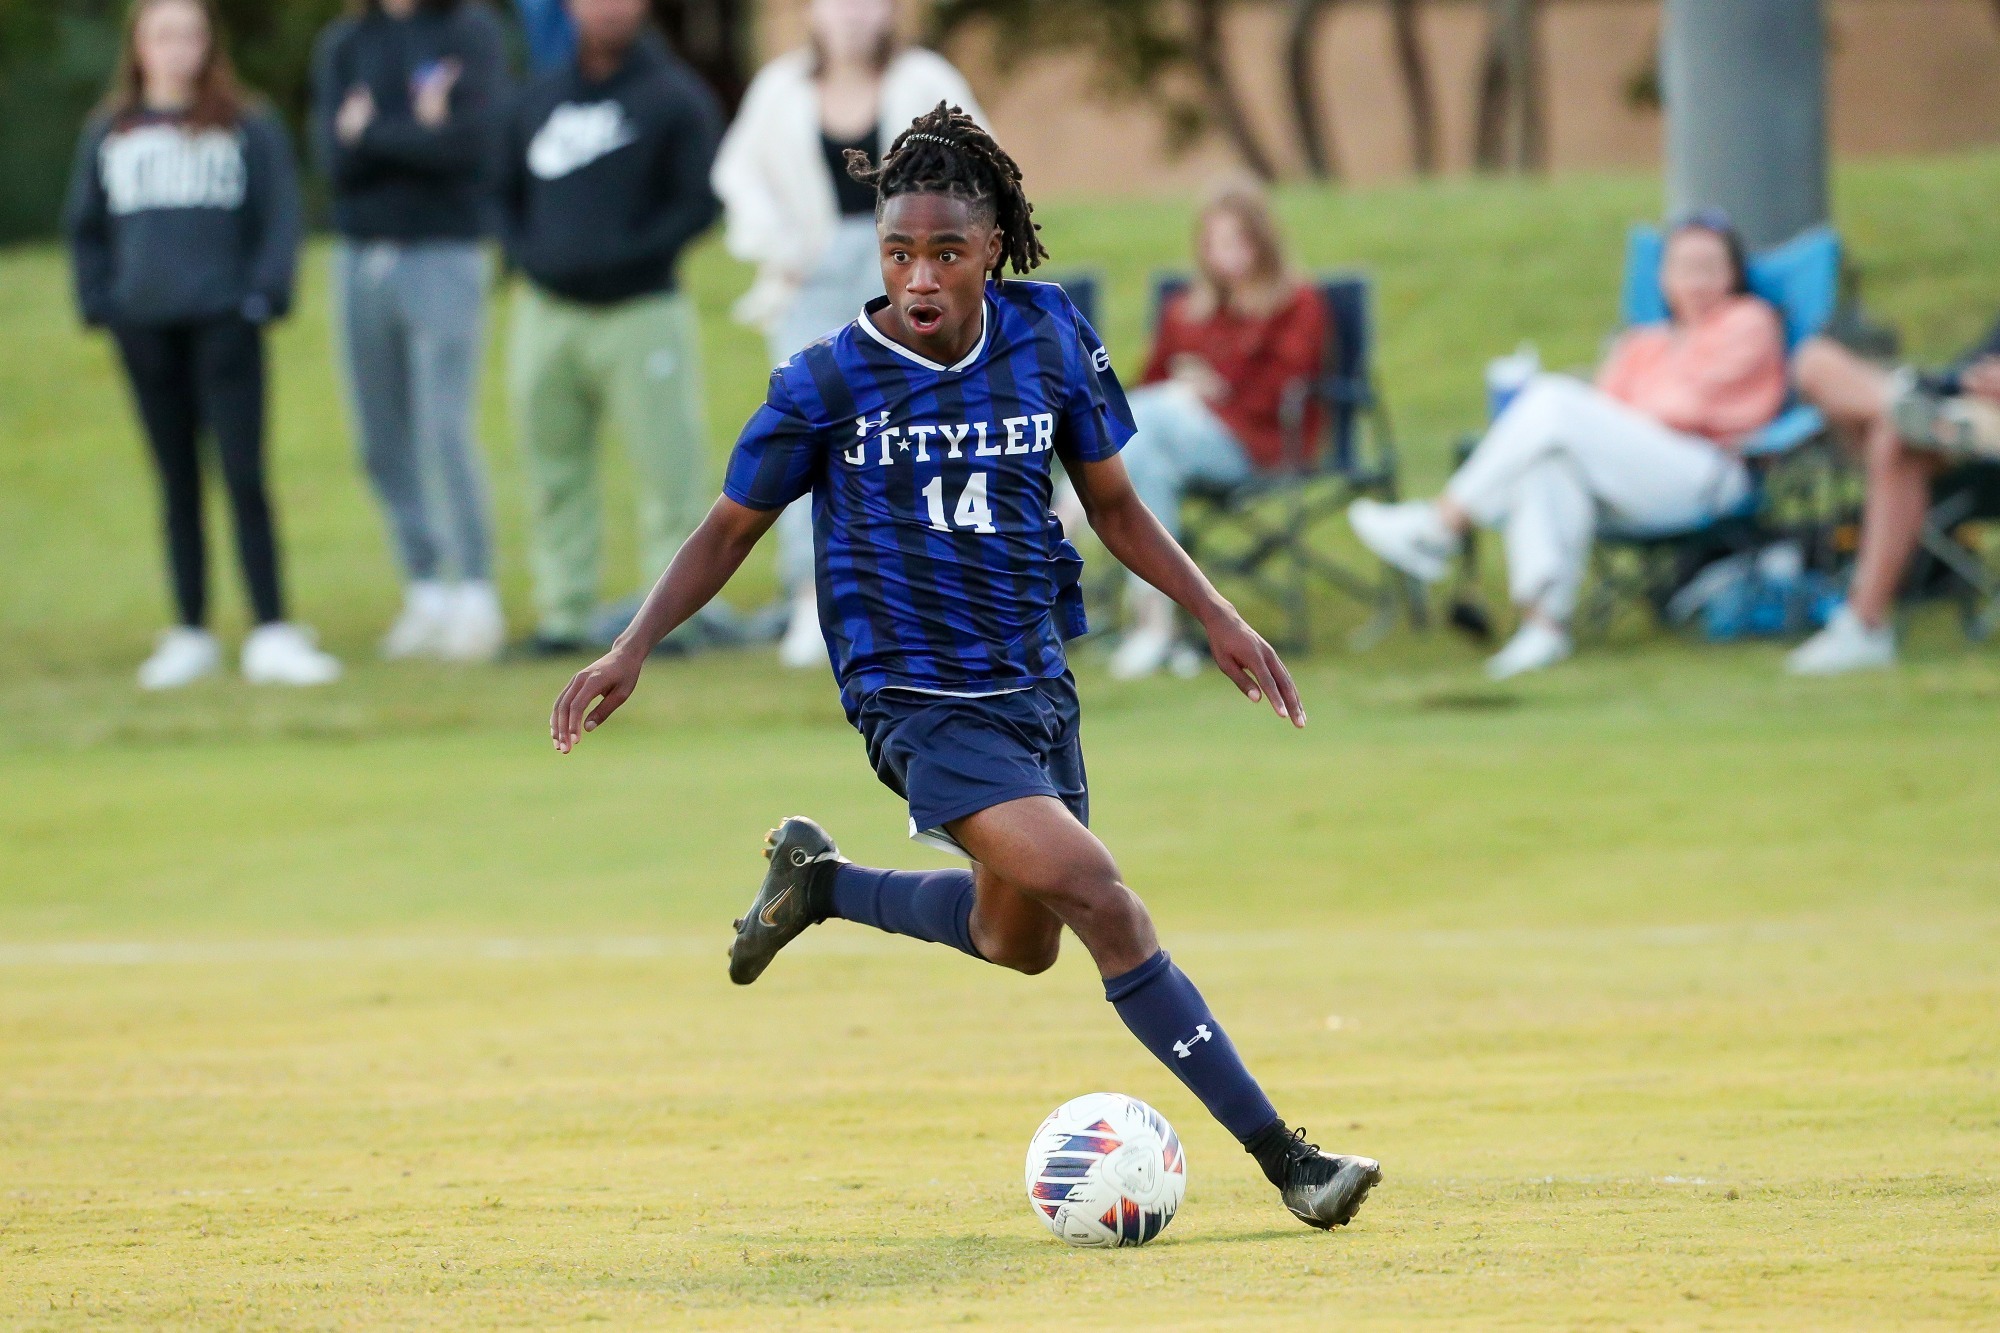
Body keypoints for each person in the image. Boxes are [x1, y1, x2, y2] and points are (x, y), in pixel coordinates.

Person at [548, 104, 1382, 1232]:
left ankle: (820, 884)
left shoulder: (1047, 337)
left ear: (992, 248)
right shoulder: (825, 382)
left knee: (1016, 940)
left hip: (1032, 682)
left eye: (945, 251)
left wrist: (1216, 615)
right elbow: (729, 529)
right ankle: (1290, 1161)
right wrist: (633, 643)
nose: (919, 277)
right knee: (1102, 900)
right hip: (915, 699)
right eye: (898, 252)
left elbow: (1116, 507)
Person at [1350, 213, 1786, 679]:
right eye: (1684, 267)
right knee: (1550, 459)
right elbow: (1609, 410)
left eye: (1708, 267)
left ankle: (1440, 525)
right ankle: (1543, 627)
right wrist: (1607, 421)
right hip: (1633, 481)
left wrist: (1608, 420)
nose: (1696, 280)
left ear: (1732, 274)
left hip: (1710, 472)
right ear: (1663, 277)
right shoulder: (1644, 343)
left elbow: (1686, 406)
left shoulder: (1749, 322)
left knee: (1553, 402)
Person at [65, 0, 342, 690]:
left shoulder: (245, 124)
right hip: (145, 329)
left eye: (189, 35)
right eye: (162, 35)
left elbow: (279, 216)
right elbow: (86, 227)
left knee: (244, 475)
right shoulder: (112, 130)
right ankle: (190, 629)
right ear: (138, 44)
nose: (176, 49)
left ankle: (272, 628)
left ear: (209, 43)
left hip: (225, 326)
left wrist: (261, 298)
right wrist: (102, 305)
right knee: (176, 482)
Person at [711, 0, 983, 670]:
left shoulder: (924, 79)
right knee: (811, 432)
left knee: (916, 428)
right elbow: (736, 175)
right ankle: (814, 599)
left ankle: (927, 596)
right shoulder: (780, 88)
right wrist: (778, 244)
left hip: (905, 277)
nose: (854, 14)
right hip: (810, 277)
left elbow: (983, 165)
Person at [497, 0, 724, 656]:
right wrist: (531, 257)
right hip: (547, 313)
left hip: (642, 310)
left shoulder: (675, 98)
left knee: (668, 469)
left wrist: (628, 256)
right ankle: (562, 613)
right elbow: (501, 193)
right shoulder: (537, 98)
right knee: (553, 470)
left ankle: (673, 621)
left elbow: (699, 202)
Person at [313, 0, 508, 663]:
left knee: (443, 427)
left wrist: (371, 133)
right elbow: (333, 161)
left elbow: (471, 146)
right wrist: (417, 130)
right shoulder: (346, 43)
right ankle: (425, 588)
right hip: (360, 255)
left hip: (444, 250)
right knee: (380, 436)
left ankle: (475, 590)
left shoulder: (468, 32)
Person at [1097, 181, 1328, 681]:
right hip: (1173, 447)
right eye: (1214, 243)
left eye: (1235, 242)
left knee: (1147, 421)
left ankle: (1074, 503)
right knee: (1148, 458)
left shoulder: (1296, 305)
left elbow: (1280, 395)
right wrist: (1183, 388)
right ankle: (1157, 626)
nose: (1224, 256)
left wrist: (1210, 390)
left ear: (1262, 244)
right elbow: (1148, 381)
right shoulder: (1187, 310)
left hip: (1258, 447)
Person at [1783, 325, 2000, 673]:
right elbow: (1972, 366)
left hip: (1982, 447)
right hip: (1955, 412)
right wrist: (1968, 379)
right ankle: (1904, 403)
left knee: (1895, 439)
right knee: (1815, 360)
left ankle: (1865, 625)